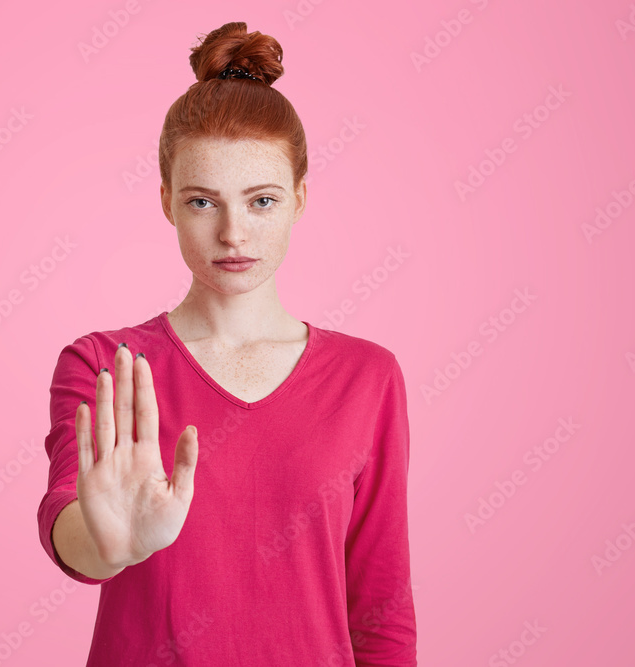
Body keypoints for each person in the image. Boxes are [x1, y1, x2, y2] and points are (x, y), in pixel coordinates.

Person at [37, 21, 417, 666]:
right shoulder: (106, 364)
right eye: (202, 202)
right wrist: (113, 545)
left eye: (262, 200)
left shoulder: (367, 377)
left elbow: (380, 607)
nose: (234, 233)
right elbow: (67, 524)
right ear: (166, 203)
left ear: (299, 197)